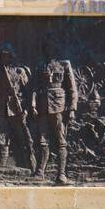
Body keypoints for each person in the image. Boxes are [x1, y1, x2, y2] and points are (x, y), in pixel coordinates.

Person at [30, 42, 78, 184]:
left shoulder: (64, 64)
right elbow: (34, 87)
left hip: (59, 106)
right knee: (42, 140)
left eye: (51, 47)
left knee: (60, 140)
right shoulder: (40, 65)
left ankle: (61, 174)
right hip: (42, 105)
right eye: (47, 47)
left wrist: (72, 108)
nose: (49, 50)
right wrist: (33, 104)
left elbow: (72, 89)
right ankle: (40, 172)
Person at [0, 41, 35, 173]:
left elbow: (28, 91)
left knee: (23, 135)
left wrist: (27, 109)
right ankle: (2, 163)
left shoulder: (19, 71)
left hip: (18, 107)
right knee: (2, 136)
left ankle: (29, 162)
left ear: (11, 56)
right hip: (2, 107)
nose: (4, 58)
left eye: (7, 55)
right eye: (2, 56)